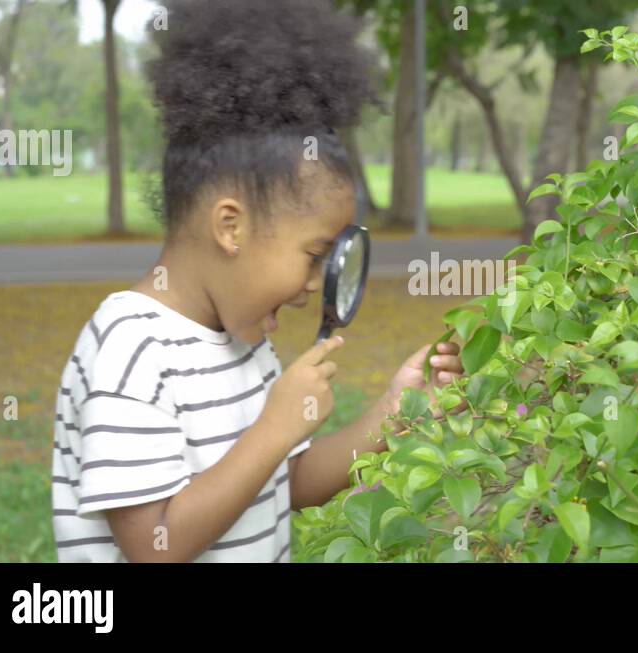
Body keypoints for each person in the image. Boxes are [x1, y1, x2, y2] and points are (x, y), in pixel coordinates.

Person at [51, 0, 463, 562]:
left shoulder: (245, 343)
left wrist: (397, 409)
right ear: (231, 226)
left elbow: (284, 483)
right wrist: (274, 428)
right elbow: (154, 546)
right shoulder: (130, 347)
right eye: (315, 254)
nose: (318, 283)